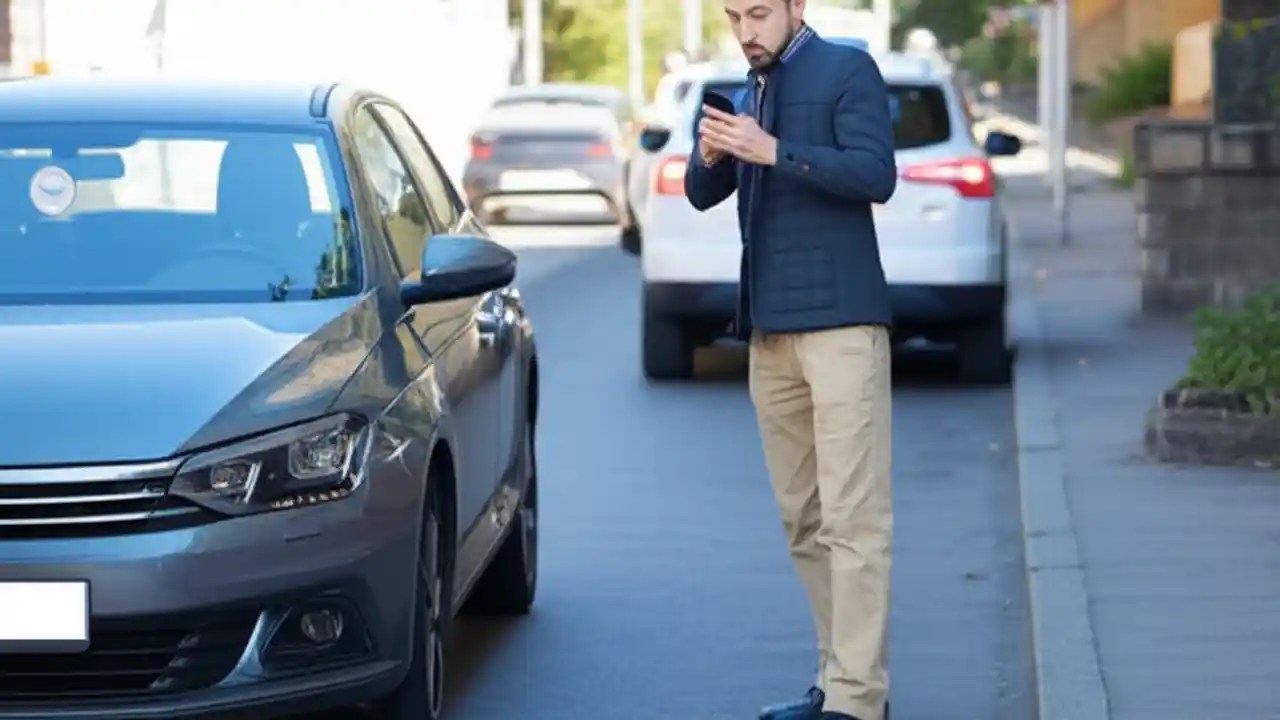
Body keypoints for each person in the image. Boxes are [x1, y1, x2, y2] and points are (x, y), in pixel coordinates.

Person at [682, 2, 897, 720]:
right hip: (769, 331)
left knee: (852, 519)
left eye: (761, 13)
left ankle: (860, 700)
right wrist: (710, 155)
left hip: (841, 327)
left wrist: (773, 149)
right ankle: (838, 679)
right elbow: (700, 193)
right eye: (735, 16)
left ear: (797, 6)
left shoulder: (846, 68)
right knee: (802, 518)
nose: (747, 31)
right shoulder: (748, 91)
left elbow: (875, 174)